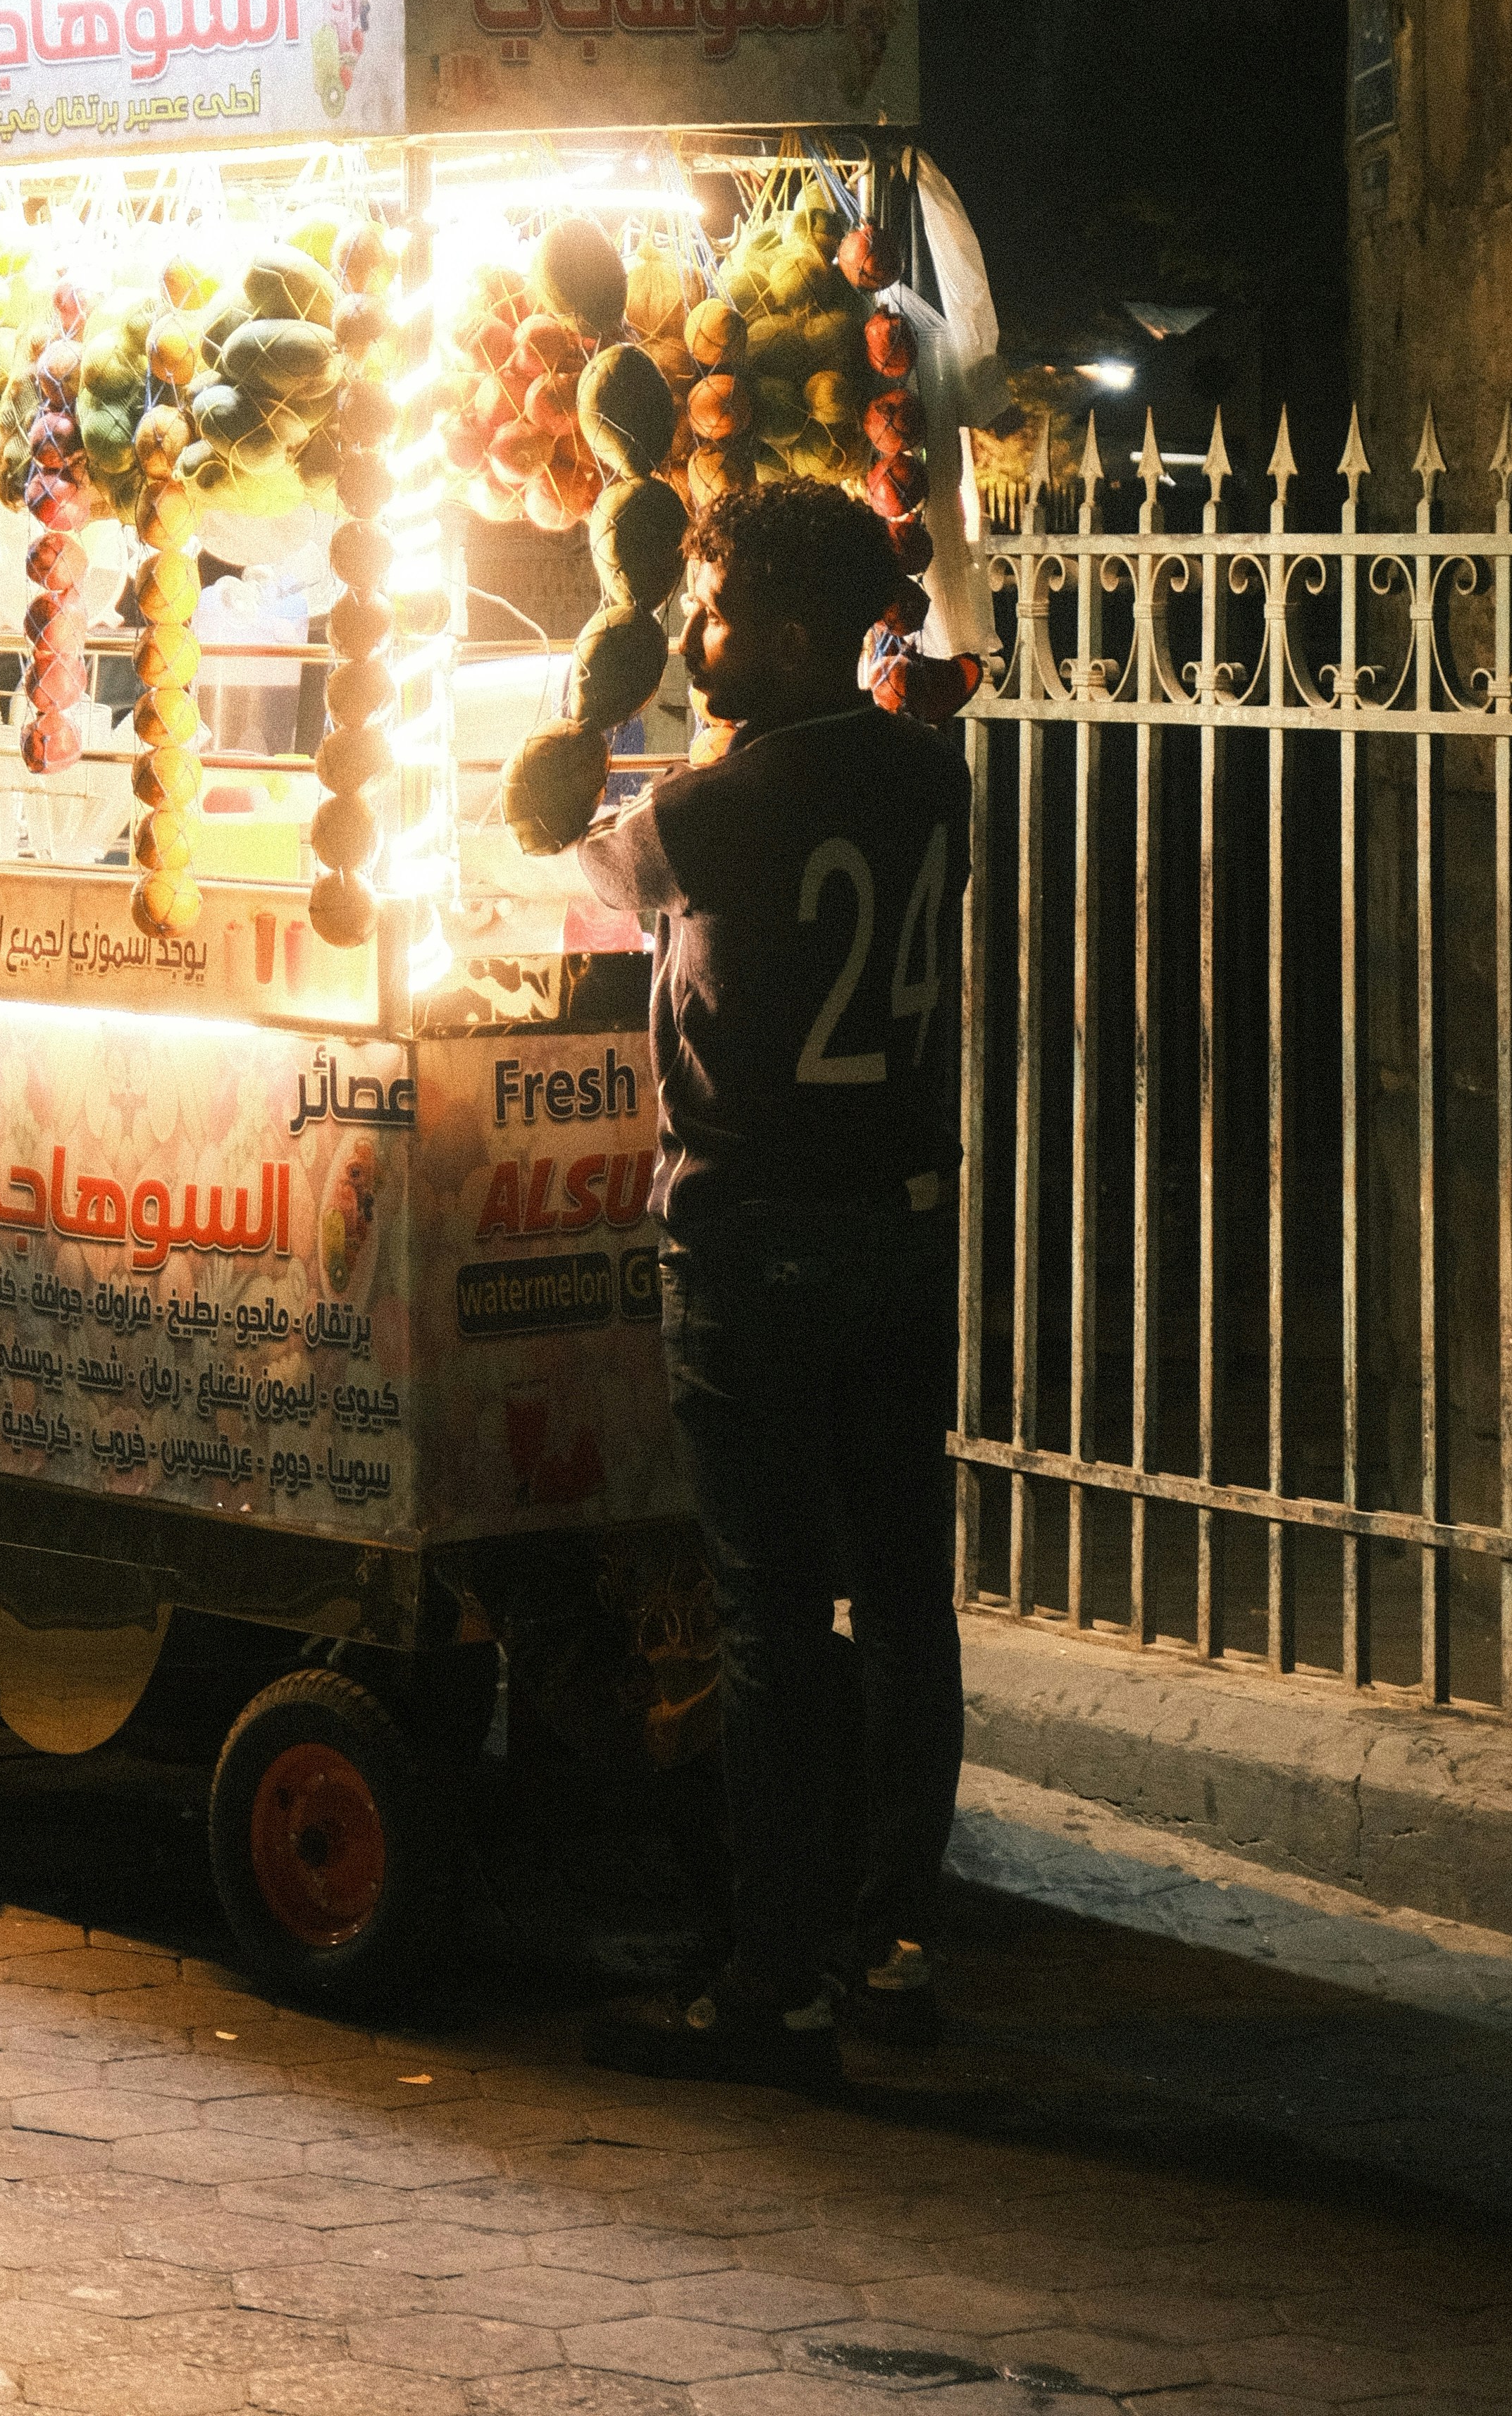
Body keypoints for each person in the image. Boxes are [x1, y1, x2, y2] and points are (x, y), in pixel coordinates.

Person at [573, 479, 972, 2095]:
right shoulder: (928, 775)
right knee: (899, 1594)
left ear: (793, 634)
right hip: (900, 1221)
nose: (692, 633)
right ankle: (891, 1941)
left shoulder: (729, 801)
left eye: (716, 609)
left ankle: (764, 1974)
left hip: (753, 1231)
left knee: (769, 1615)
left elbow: (593, 876)